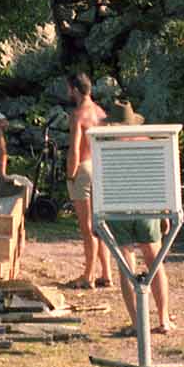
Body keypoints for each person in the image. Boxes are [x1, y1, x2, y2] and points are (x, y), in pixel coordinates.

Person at [104, 99, 175, 335]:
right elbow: (159, 178)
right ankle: (163, 319)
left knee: (126, 264)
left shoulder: (107, 146)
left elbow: (102, 182)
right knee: (155, 261)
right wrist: (164, 210)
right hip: (146, 205)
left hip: (118, 207)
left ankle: (136, 322)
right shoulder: (147, 142)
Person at [65, 72, 113, 290]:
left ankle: (88, 275)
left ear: (74, 89)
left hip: (83, 168)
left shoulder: (78, 115)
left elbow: (74, 150)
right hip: (99, 168)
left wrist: (70, 174)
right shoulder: (100, 112)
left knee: (87, 228)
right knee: (100, 225)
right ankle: (107, 273)